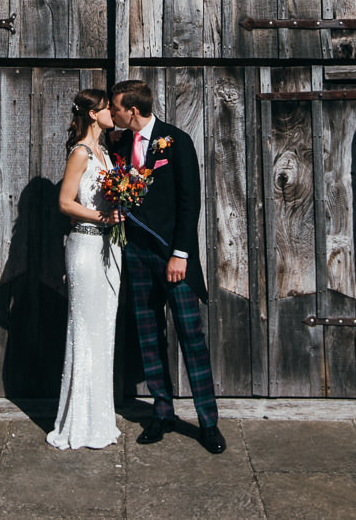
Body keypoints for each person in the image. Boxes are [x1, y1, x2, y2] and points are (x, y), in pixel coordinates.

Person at [109, 79, 224, 454]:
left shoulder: (176, 141)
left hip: (173, 256)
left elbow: (190, 202)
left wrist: (181, 254)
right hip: (137, 254)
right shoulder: (120, 145)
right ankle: (162, 413)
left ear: (133, 110)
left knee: (191, 336)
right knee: (148, 336)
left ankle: (208, 422)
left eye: (115, 108)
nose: (112, 113)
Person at [46, 88, 123, 450]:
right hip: (86, 246)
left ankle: (100, 419)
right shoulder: (80, 153)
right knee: (85, 330)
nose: (113, 114)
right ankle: (77, 422)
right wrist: (102, 217)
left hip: (111, 247)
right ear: (94, 114)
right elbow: (65, 203)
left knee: (104, 331)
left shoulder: (105, 152)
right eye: (108, 109)